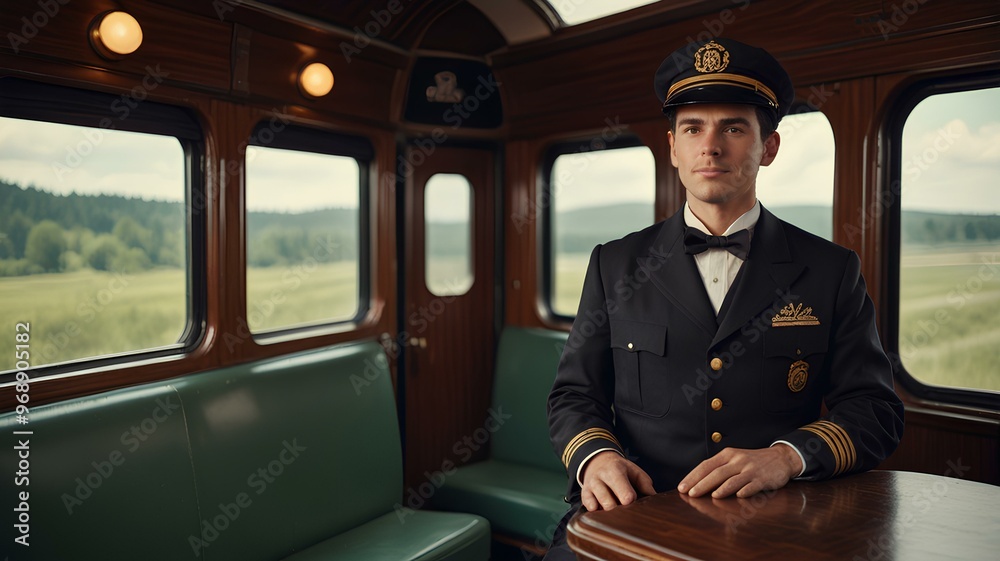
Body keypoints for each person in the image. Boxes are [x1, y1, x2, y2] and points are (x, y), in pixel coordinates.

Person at [543, 38, 904, 560]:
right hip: (634, 510)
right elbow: (574, 395)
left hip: (772, 522)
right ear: (673, 147)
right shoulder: (614, 264)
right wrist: (597, 458)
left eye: (733, 128)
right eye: (693, 129)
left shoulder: (830, 270)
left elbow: (875, 410)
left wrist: (787, 456)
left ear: (769, 148)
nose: (710, 147)